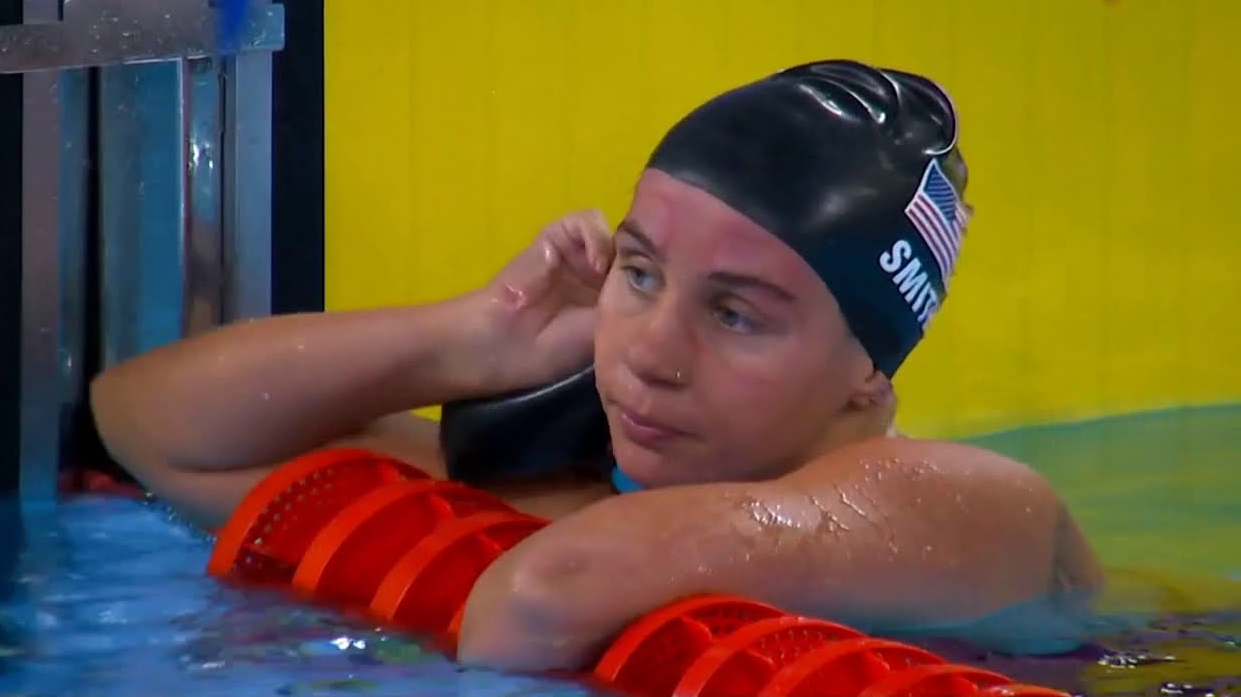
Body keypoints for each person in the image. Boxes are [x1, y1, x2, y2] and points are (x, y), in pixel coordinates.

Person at [89, 60, 1105, 673]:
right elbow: (146, 426)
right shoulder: (575, 477)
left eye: (735, 315)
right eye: (640, 272)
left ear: (866, 374)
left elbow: (541, 600)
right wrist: (469, 339)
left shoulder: (972, 509)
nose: (652, 355)